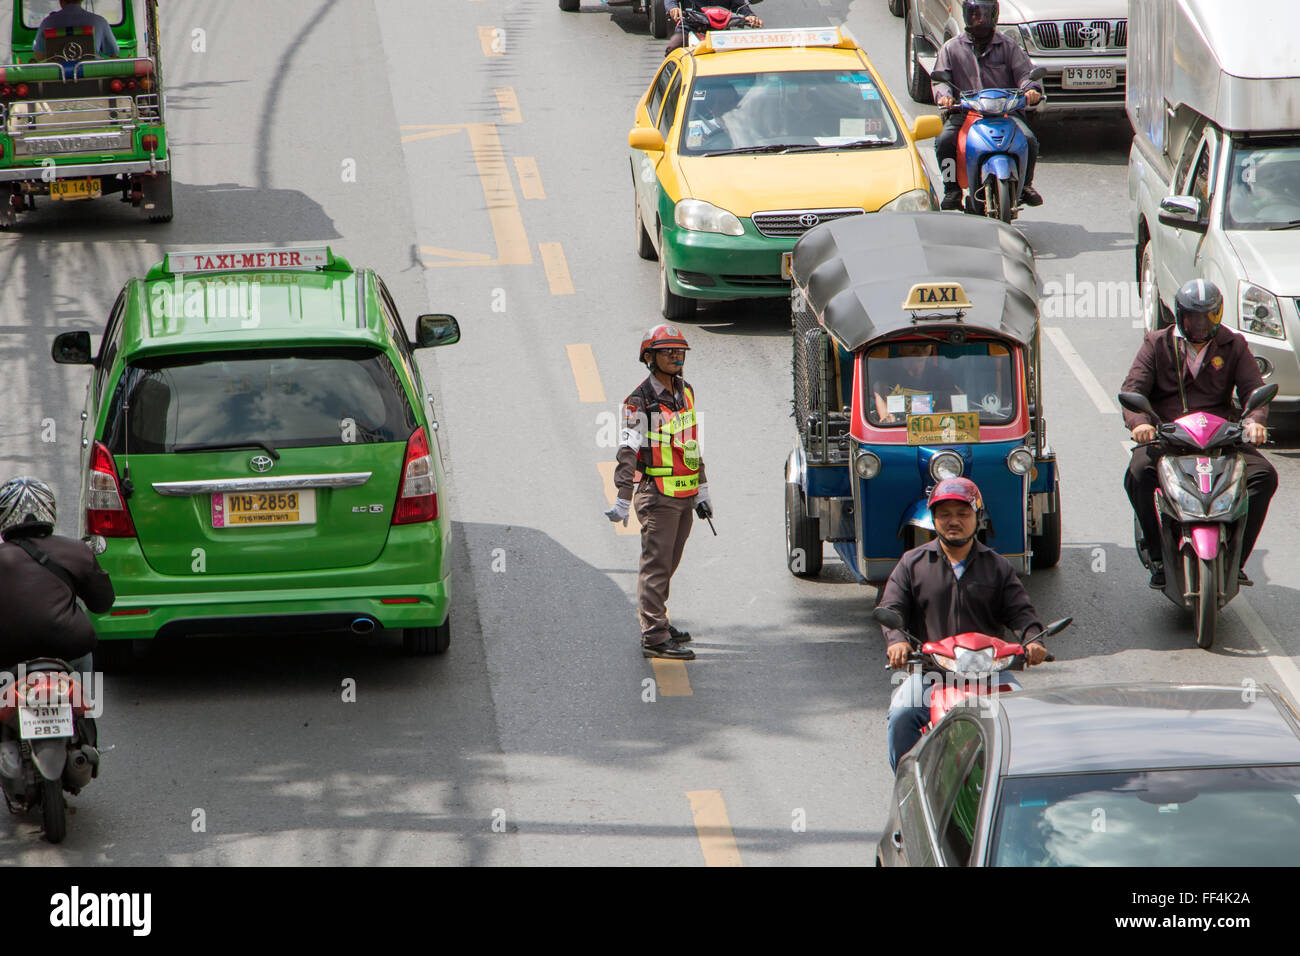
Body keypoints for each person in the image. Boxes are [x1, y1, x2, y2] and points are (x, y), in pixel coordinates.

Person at [877, 478, 1047, 770]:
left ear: (977, 518)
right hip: (931, 673)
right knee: (902, 714)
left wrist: (1033, 640)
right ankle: (906, 789)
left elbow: (1022, 613)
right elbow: (891, 607)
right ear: (933, 519)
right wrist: (897, 642)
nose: (953, 521)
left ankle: (1018, 792)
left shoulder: (998, 567)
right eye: (945, 514)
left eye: (963, 514)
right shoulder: (912, 563)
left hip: (991, 674)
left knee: (1027, 719)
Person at [1121, 279, 1276, 588]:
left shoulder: (1233, 345)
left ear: (1218, 315)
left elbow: (1253, 390)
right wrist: (1140, 423)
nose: (1201, 324)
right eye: (1194, 316)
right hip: (1168, 436)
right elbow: (1132, 389)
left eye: (1208, 316)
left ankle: (1236, 558)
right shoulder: (1157, 343)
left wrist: (1255, 421)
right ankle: (1157, 556)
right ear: (1181, 315)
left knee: (1264, 476)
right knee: (1138, 473)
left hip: (1222, 436)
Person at [605, 326, 712, 660]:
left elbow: (691, 442)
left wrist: (703, 489)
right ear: (649, 358)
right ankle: (653, 635)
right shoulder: (640, 402)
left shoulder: (686, 392)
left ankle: (659, 621)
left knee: (669, 563)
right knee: (656, 566)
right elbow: (627, 448)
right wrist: (623, 496)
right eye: (667, 352)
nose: (676, 356)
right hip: (657, 495)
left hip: (684, 492)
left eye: (679, 352)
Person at [931, 0, 1042, 210]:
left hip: (1006, 112)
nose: (979, 18)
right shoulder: (951, 48)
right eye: (974, 13)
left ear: (994, 16)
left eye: (984, 13)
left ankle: (1026, 185)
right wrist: (945, 96)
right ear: (966, 16)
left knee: (1029, 140)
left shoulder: (1009, 46)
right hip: (966, 112)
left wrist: (1031, 90)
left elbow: (1025, 75)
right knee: (944, 140)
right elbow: (941, 80)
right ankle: (952, 189)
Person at [0, 477, 115, 673]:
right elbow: (102, 603)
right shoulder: (77, 550)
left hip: (9, 654)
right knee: (84, 693)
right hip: (70, 648)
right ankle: (87, 702)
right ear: (49, 509)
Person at [870, 342, 966, 423]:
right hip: (897, 430)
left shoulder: (942, 377)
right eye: (913, 343)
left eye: (925, 344)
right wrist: (886, 416)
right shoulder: (886, 372)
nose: (919, 348)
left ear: (931, 347)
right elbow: (880, 395)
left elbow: (947, 411)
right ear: (901, 347)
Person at [664, 0, 762, 56]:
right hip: (690, 27)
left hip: (720, 31)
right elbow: (670, 2)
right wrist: (673, 8)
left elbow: (740, 6)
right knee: (674, 47)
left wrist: (751, 16)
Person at [32, 0, 120, 60]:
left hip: (57, 75)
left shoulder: (48, 22)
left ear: (60, 1)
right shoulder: (99, 21)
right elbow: (113, 53)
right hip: (92, 75)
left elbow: (39, 56)